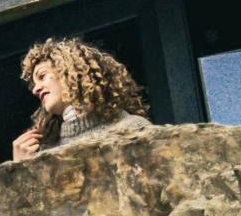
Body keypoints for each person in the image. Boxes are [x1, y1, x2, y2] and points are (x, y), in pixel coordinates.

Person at [8, 36, 151, 161]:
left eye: (42, 77)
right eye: (34, 84)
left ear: (69, 71)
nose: (35, 90)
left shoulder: (133, 129)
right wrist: (21, 168)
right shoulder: (45, 153)